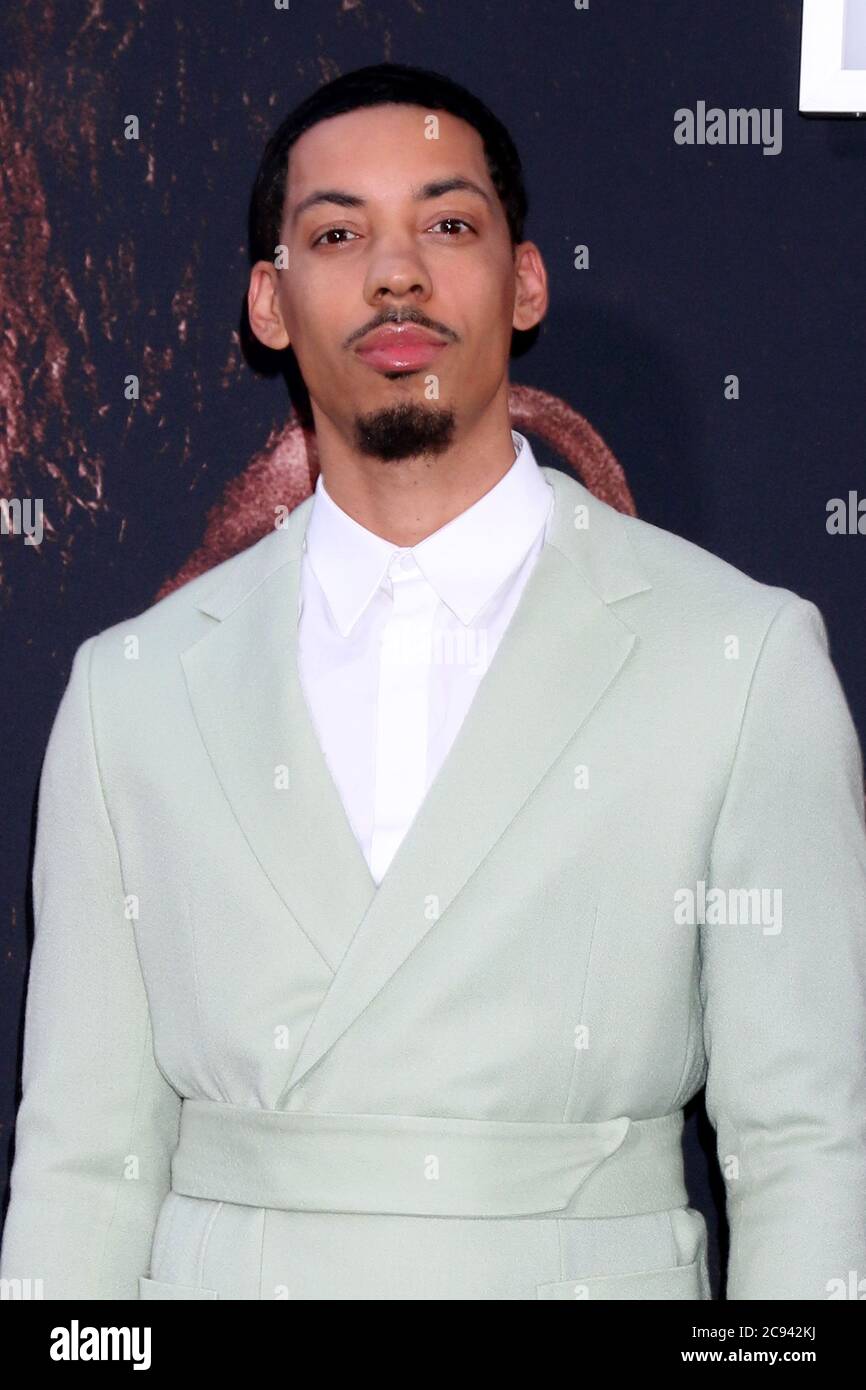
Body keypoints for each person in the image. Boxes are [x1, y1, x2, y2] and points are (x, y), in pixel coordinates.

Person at [2, 61, 865, 1301]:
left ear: (522, 282)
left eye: (446, 224)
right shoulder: (130, 693)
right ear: (269, 301)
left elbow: (802, 1149)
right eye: (338, 232)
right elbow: (84, 1163)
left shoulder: (734, 660)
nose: (395, 272)